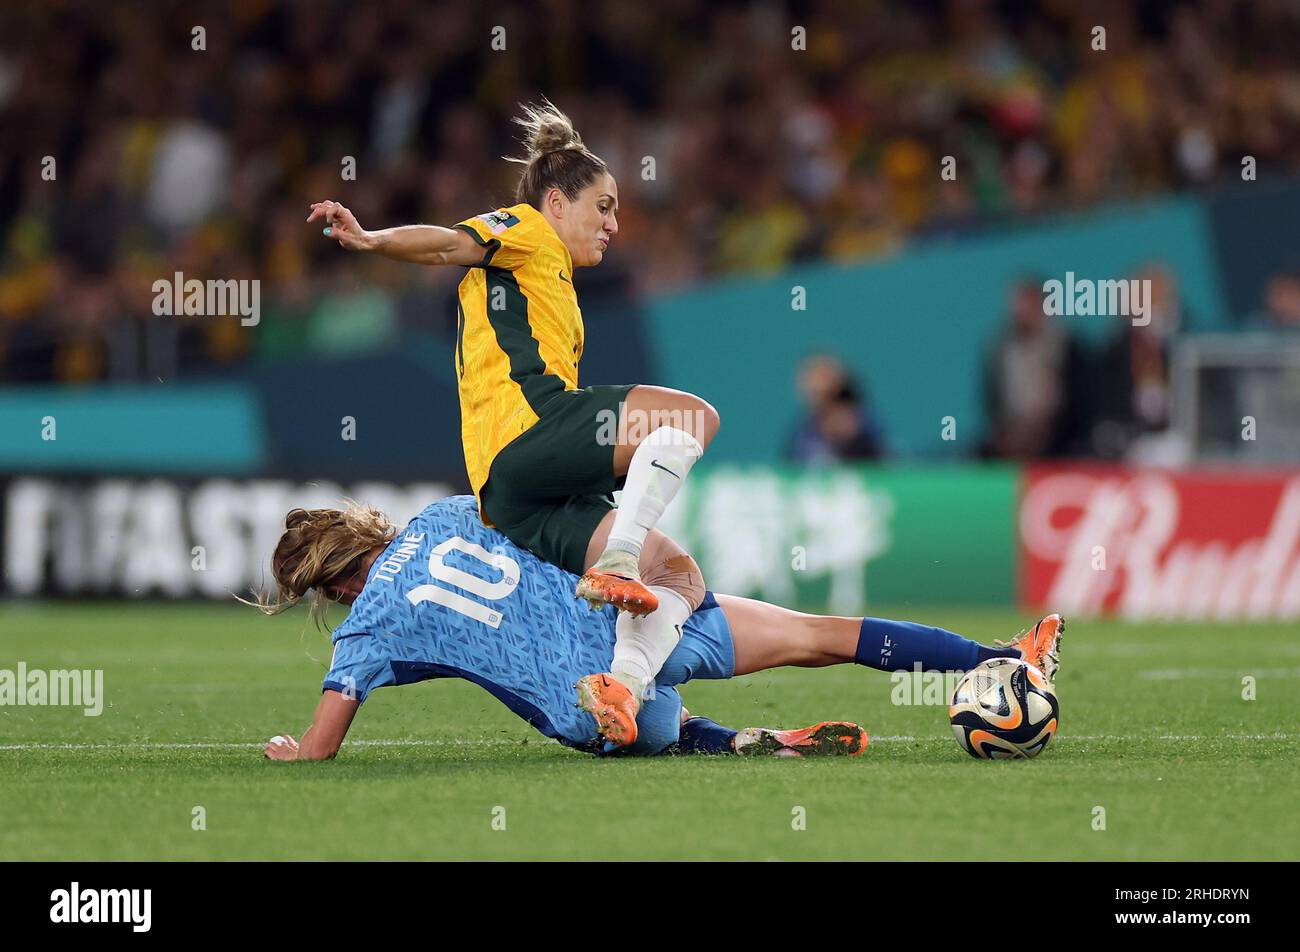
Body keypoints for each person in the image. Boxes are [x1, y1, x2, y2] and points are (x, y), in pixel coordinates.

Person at [305, 99, 718, 746]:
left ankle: (624, 690)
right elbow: (448, 244)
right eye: (603, 207)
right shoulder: (525, 230)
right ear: (556, 203)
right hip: (528, 428)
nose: (614, 223)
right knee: (690, 417)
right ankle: (618, 558)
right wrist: (369, 238)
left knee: (680, 577)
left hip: (514, 494)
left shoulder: (554, 284)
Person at [251, 495, 1064, 762]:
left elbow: (324, 741)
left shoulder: (367, 628)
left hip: (588, 701)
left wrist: (296, 751)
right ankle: (1003, 655)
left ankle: (747, 743)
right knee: (825, 632)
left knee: (612, 722)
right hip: (639, 618)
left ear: (338, 580)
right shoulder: (447, 513)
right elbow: (557, 524)